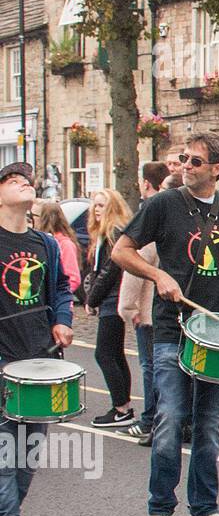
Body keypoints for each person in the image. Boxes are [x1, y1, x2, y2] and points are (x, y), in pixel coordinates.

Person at [114, 133, 219, 516]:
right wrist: (158, 275)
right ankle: (159, 511)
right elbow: (121, 251)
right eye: (183, 159)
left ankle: (204, 511)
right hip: (172, 329)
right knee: (169, 422)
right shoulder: (163, 204)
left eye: (195, 161)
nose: (185, 166)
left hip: (218, 331)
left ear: (217, 169)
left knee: (209, 427)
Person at [0, 162, 75, 516]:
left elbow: (62, 287)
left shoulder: (44, 243)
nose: (24, 182)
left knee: (27, 454)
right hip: (1, 359)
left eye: (27, 179)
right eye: (13, 180)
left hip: (40, 359)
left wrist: (62, 319)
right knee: (4, 451)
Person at [115, 162, 167, 444]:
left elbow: (136, 263)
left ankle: (150, 420)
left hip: (149, 311)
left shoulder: (152, 214)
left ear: (146, 184)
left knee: (151, 367)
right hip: (166, 308)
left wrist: (128, 308)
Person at [84, 188, 134, 428]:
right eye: (94, 205)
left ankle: (121, 408)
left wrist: (92, 298)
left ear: (112, 208)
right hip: (111, 299)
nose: (96, 209)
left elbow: (108, 272)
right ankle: (123, 406)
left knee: (104, 354)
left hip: (112, 300)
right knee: (115, 353)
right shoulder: (105, 234)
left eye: (101, 205)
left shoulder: (113, 234)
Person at [32, 199, 82, 299]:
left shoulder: (64, 244)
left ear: (44, 218)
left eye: (33, 216)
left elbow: (73, 279)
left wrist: (56, 297)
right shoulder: (36, 241)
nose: (30, 219)